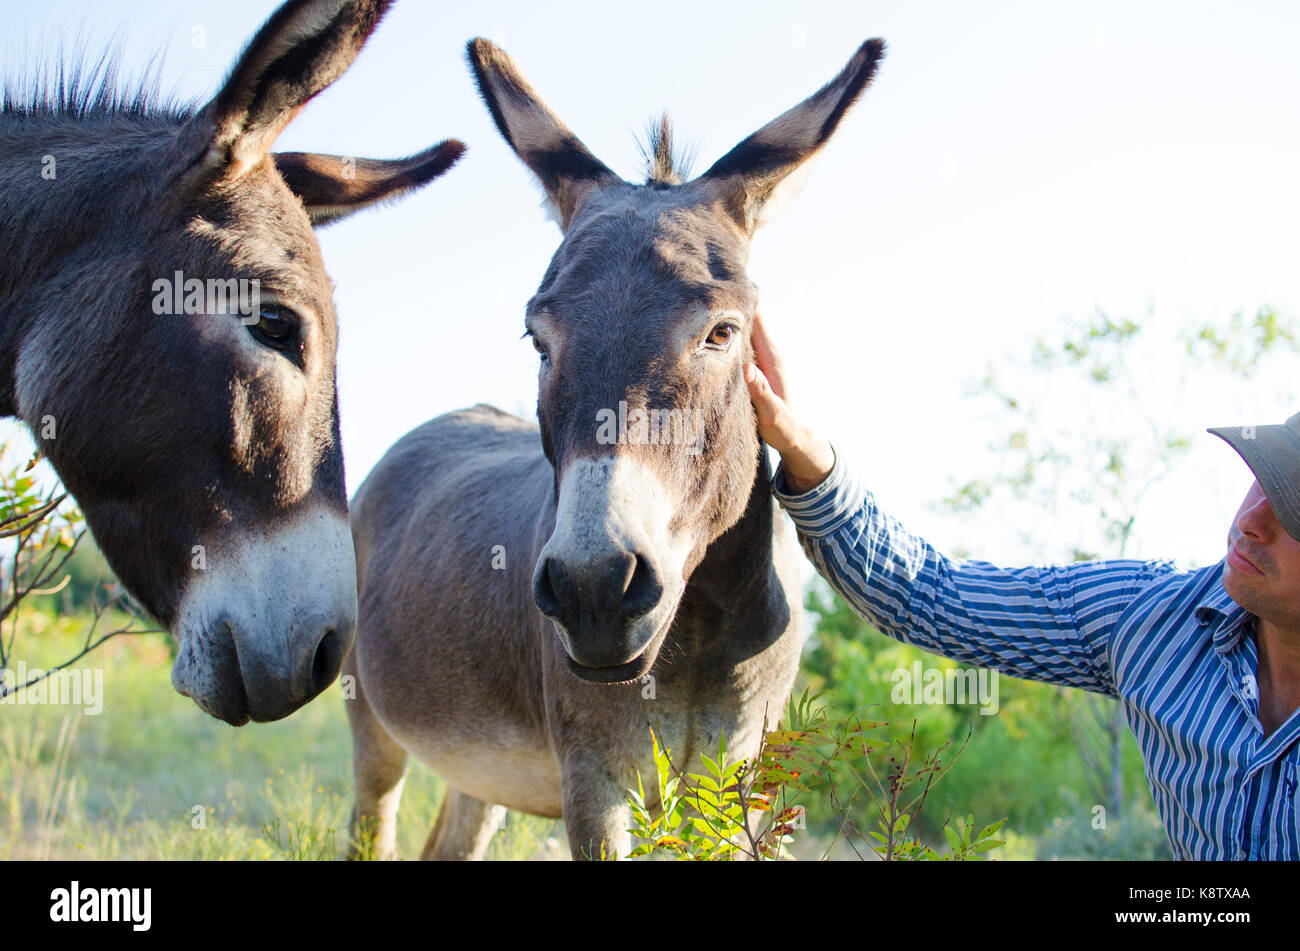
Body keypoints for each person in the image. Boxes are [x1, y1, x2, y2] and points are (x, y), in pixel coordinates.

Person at [743, 312, 1300, 860]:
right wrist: (799, 446)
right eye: (1261, 479)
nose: (1252, 521)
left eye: (1292, 514)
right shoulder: (1152, 620)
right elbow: (928, 594)